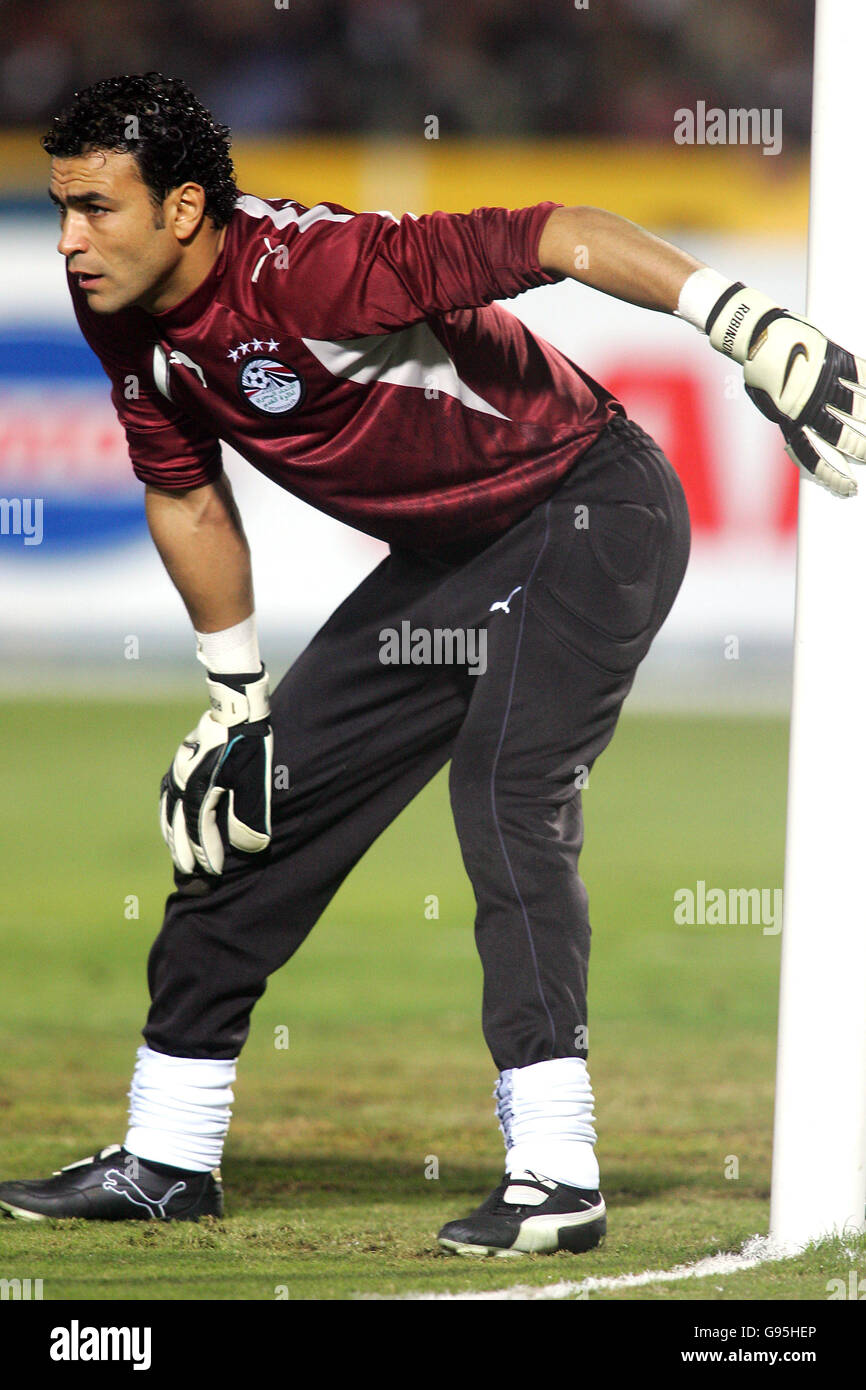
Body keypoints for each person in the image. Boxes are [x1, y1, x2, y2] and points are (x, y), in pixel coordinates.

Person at [1, 72, 862, 1255]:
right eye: (61, 209)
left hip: (588, 507)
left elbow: (556, 233)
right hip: (454, 555)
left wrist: (739, 317)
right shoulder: (119, 304)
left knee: (506, 789)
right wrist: (231, 693)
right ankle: (167, 1157)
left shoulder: (313, 272)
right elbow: (182, 486)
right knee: (251, 811)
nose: (72, 240)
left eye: (96, 207)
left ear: (187, 206)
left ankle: (557, 1174)